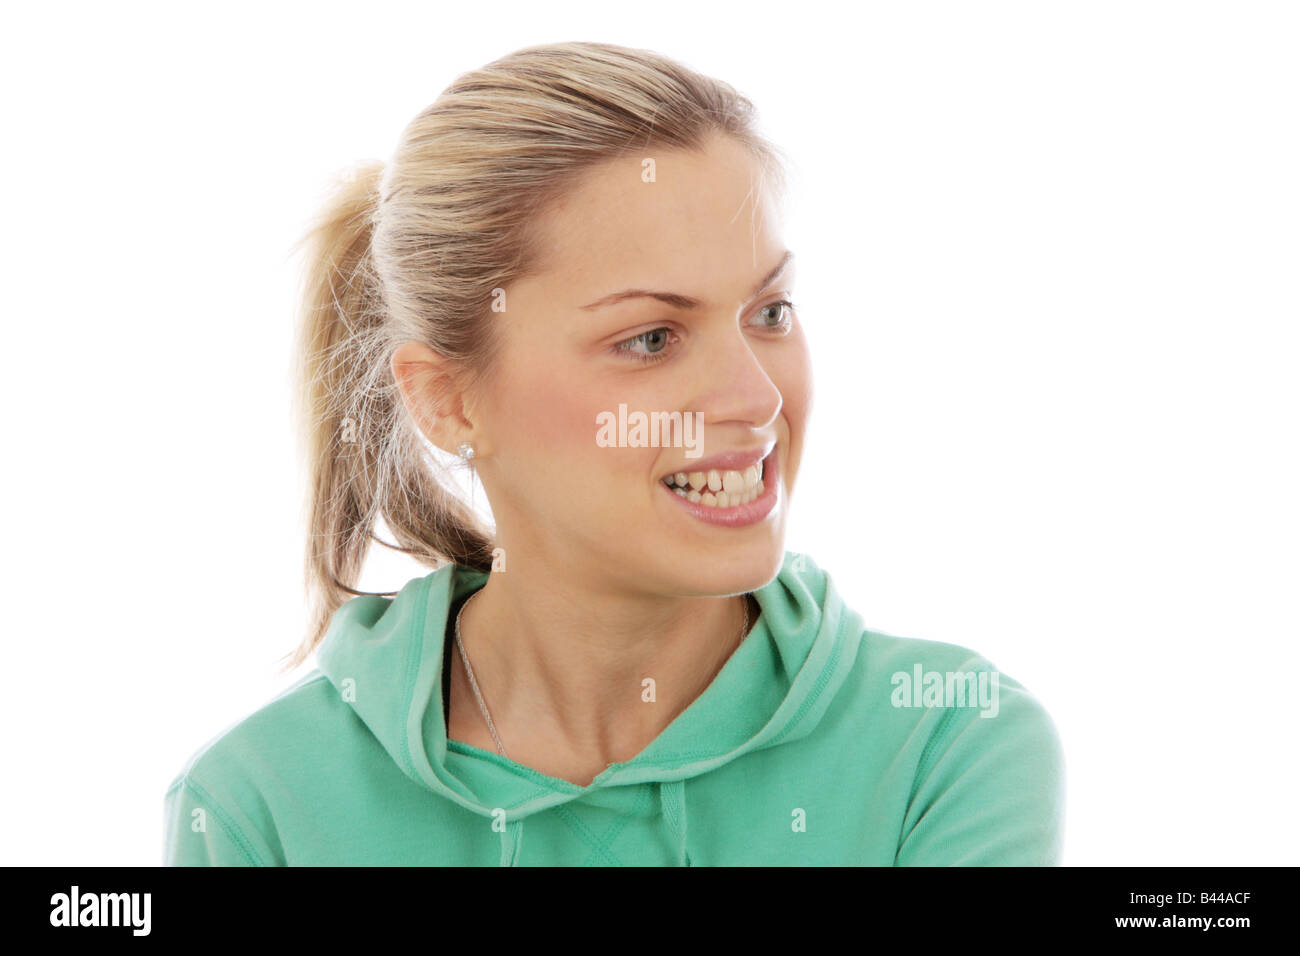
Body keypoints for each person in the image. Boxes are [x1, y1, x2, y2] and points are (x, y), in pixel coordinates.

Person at [163, 40, 1064, 866]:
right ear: (447, 399)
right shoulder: (258, 809)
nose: (756, 398)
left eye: (770, 314)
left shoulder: (945, 746)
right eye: (651, 338)